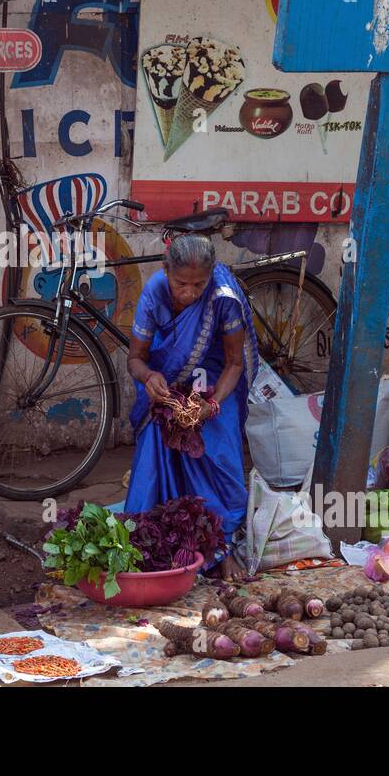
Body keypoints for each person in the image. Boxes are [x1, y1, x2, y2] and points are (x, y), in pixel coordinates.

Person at [124, 233, 259, 579]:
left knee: (218, 453)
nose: (189, 293)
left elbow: (234, 364)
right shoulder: (154, 292)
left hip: (215, 380)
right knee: (160, 437)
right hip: (167, 377)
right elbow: (135, 359)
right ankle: (154, 544)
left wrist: (210, 406)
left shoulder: (222, 297)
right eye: (181, 283)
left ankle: (222, 548)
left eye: (198, 284)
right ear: (166, 271)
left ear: (210, 276)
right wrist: (150, 377)